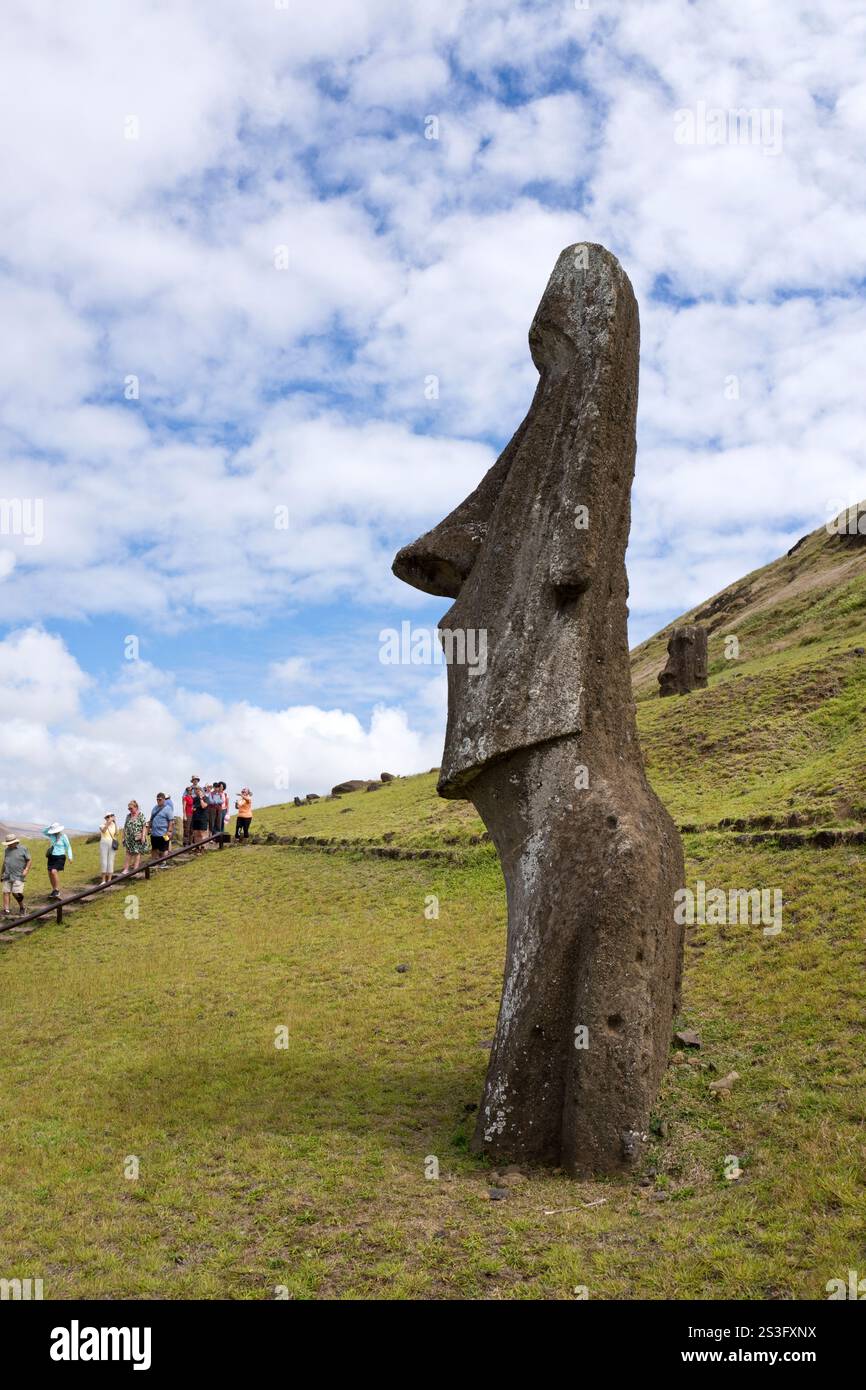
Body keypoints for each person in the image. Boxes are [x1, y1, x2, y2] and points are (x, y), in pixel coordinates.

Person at [2, 834, 31, 915]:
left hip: (18, 875)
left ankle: (22, 907)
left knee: (16, 893)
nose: (9, 845)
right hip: (7, 874)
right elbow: (5, 862)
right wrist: (1, 874)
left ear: (15, 842)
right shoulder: (7, 850)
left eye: (10, 843)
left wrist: (26, 870)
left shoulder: (23, 849)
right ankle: (6, 910)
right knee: (6, 892)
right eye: (8, 843)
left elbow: (29, 860)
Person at [42, 822, 73, 898]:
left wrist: (70, 856)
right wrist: (50, 827)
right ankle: (54, 890)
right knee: (50, 873)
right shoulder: (51, 835)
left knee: (53, 871)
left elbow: (68, 846)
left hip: (60, 857)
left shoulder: (63, 836)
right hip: (51, 857)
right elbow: (44, 832)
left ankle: (57, 890)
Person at [147, 793, 175, 860]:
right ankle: (154, 863)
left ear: (164, 799)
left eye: (160, 799)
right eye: (157, 799)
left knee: (165, 849)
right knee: (154, 849)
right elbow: (151, 819)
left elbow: (171, 821)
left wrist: (169, 831)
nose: (158, 801)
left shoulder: (168, 809)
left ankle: (164, 862)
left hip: (165, 833)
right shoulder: (154, 808)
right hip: (154, 834)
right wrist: (148, 829)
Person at [123, 801, 148, 873]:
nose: (130, 810)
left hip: (137, 837)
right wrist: (123, 837)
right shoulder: (128, 816)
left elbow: (144, 826)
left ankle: (135, 869)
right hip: (129, 838)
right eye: (129, 809)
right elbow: (125, 827)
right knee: (128, 853)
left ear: (136, 807)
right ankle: (126, 869)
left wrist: (143, 836)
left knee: (137, 853)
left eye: (131, 808)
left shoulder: (141, 815)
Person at [98, 812, 118, 883]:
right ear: (105, 818)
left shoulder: (114, 825)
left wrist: (115, 823)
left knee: (111, 861)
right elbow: (103, 831)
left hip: (112, 843)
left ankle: (109, 880)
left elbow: (116, 833)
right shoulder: (102, 825)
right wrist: (108, 823)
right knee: (104, 861)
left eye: (111, 816)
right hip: (104, 843)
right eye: (108, 816)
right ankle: (103, 880)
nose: (110, 817)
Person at [190, 782, 211, 851]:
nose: (196, 791)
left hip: (203, 818)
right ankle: (197, 847)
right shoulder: (195, 799)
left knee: (202, 834)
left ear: (201, 791)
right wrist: (193, 809)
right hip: (195, 818)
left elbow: (203, 806)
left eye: (198, 790)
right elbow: (193, 807)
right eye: (195, 790)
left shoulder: (206, 798)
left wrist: (201, 798)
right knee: (196, 833)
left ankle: (203, 847)